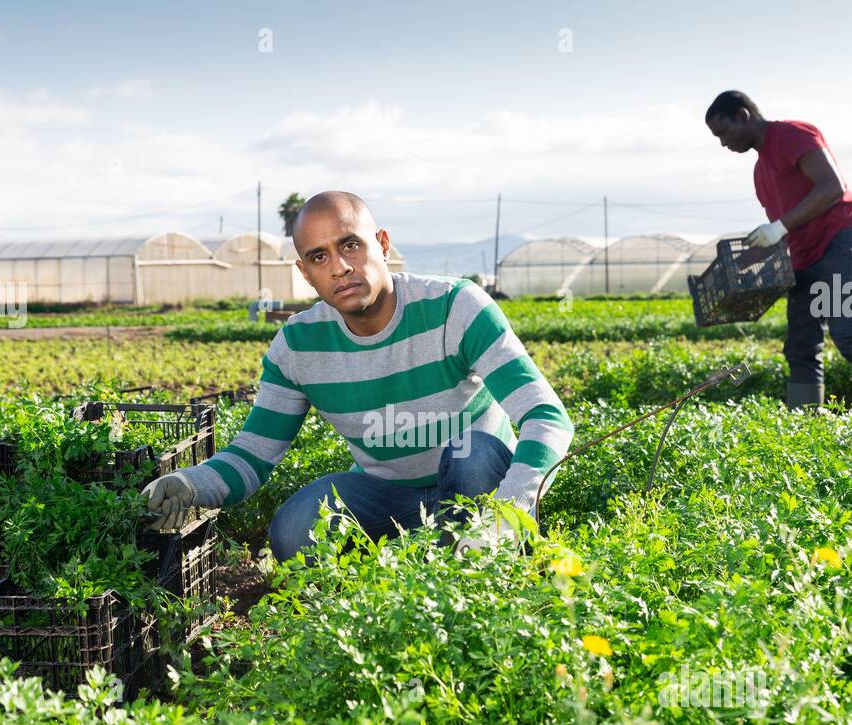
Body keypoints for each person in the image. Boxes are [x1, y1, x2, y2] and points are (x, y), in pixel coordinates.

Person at [143, 191, 574, 561]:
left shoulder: (454, 307)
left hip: (478, 485)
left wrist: (509, 510)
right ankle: (419, 564)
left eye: (350, 245)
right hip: (388, 495)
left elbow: (546, 416)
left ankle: (484, 555)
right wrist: (187, 484)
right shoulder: (299, 347)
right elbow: (253, 453)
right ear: (305, 273)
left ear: (382, 243)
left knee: (469, 450)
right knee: (293, 531)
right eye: (319, 257)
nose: (339, 267)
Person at [705, 90, 852, 415]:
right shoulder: (760, 174)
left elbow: (832, 188)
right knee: (800, 346)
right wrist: (747, 261)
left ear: (743, 116)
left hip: (841, 241)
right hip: (804, 257)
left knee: (848, 333)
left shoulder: (792, 134)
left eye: (723, 133)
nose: (723, 144)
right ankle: (806, 427)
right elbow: (783, 232)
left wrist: (779, 227)